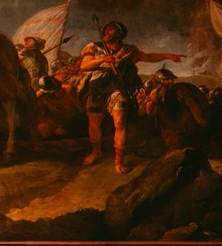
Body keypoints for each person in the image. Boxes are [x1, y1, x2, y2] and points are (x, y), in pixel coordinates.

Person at [77, 21, 182, 173]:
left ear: (119, 34)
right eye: (105, 29)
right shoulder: (93, 46)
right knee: (94, 123)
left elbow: (148, 57)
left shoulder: (128, 50)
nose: (106, 32)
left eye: (111, 30)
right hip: (97, 89)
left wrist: (168, 55)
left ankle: (119, 160)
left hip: (116, 89)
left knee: (120, 122)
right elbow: (84, 66)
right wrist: (102, 60)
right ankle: (96, 151)